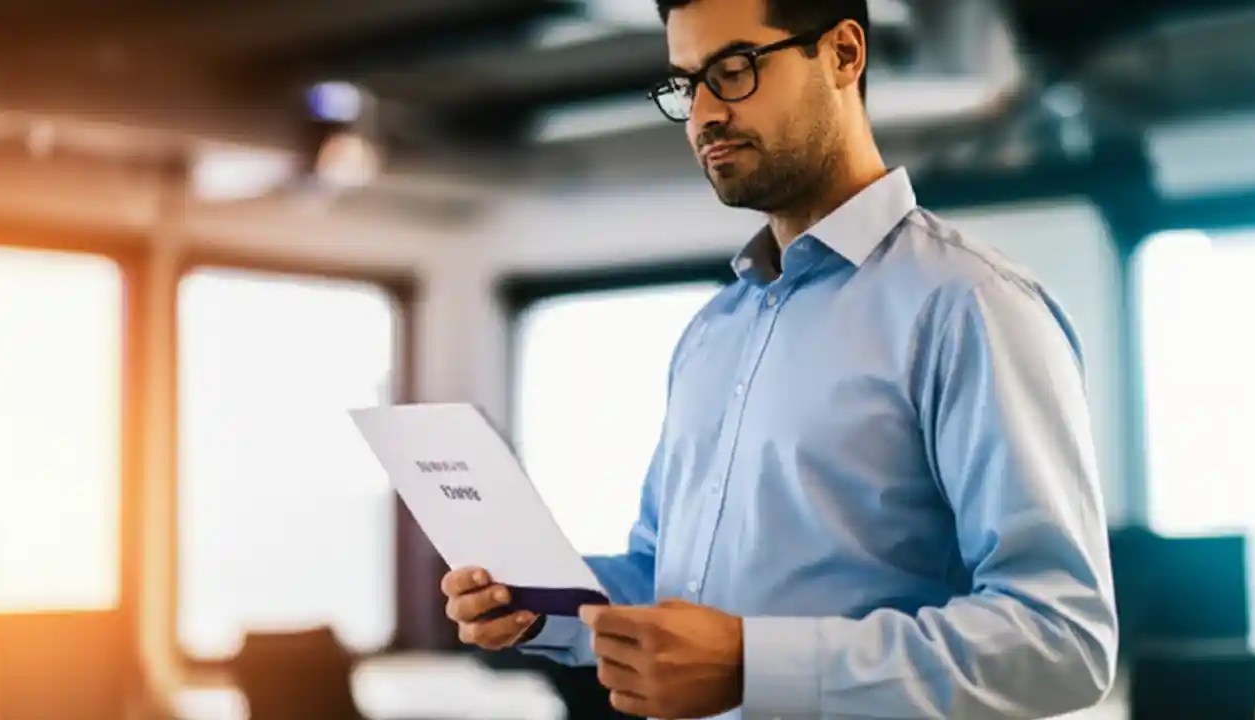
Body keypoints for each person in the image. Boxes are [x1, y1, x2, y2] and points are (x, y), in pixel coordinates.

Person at [441, 0, 1118, 717]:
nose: (703, 114)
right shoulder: (713, 332)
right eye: (686, 84)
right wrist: (538, 600)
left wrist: (753, 666)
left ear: (844, 55)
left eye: (733, 71)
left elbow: (1062, 640)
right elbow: (668, 581)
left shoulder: (971, 304)